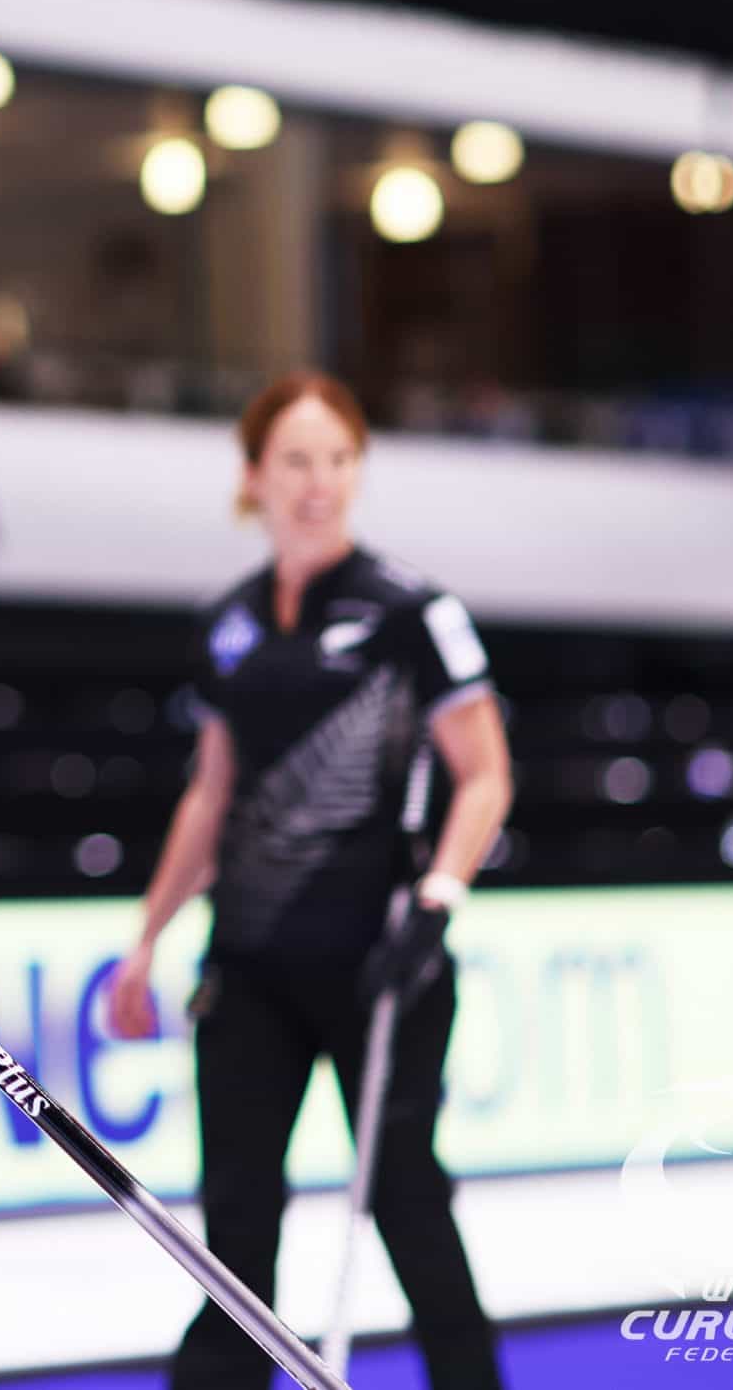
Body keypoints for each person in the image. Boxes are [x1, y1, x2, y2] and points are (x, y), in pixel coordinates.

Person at [104, 371, 511, 1390]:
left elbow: (485, 776)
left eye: (336, 459)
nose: (317, 481)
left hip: (383, 963)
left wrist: (439, 900)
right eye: (295, 459)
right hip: (248, 969)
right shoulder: (228, 625)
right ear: (253, 476)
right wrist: (147, 940)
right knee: (235, 1213)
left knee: (404, 1195)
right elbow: (209, 797)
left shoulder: (411, 611)